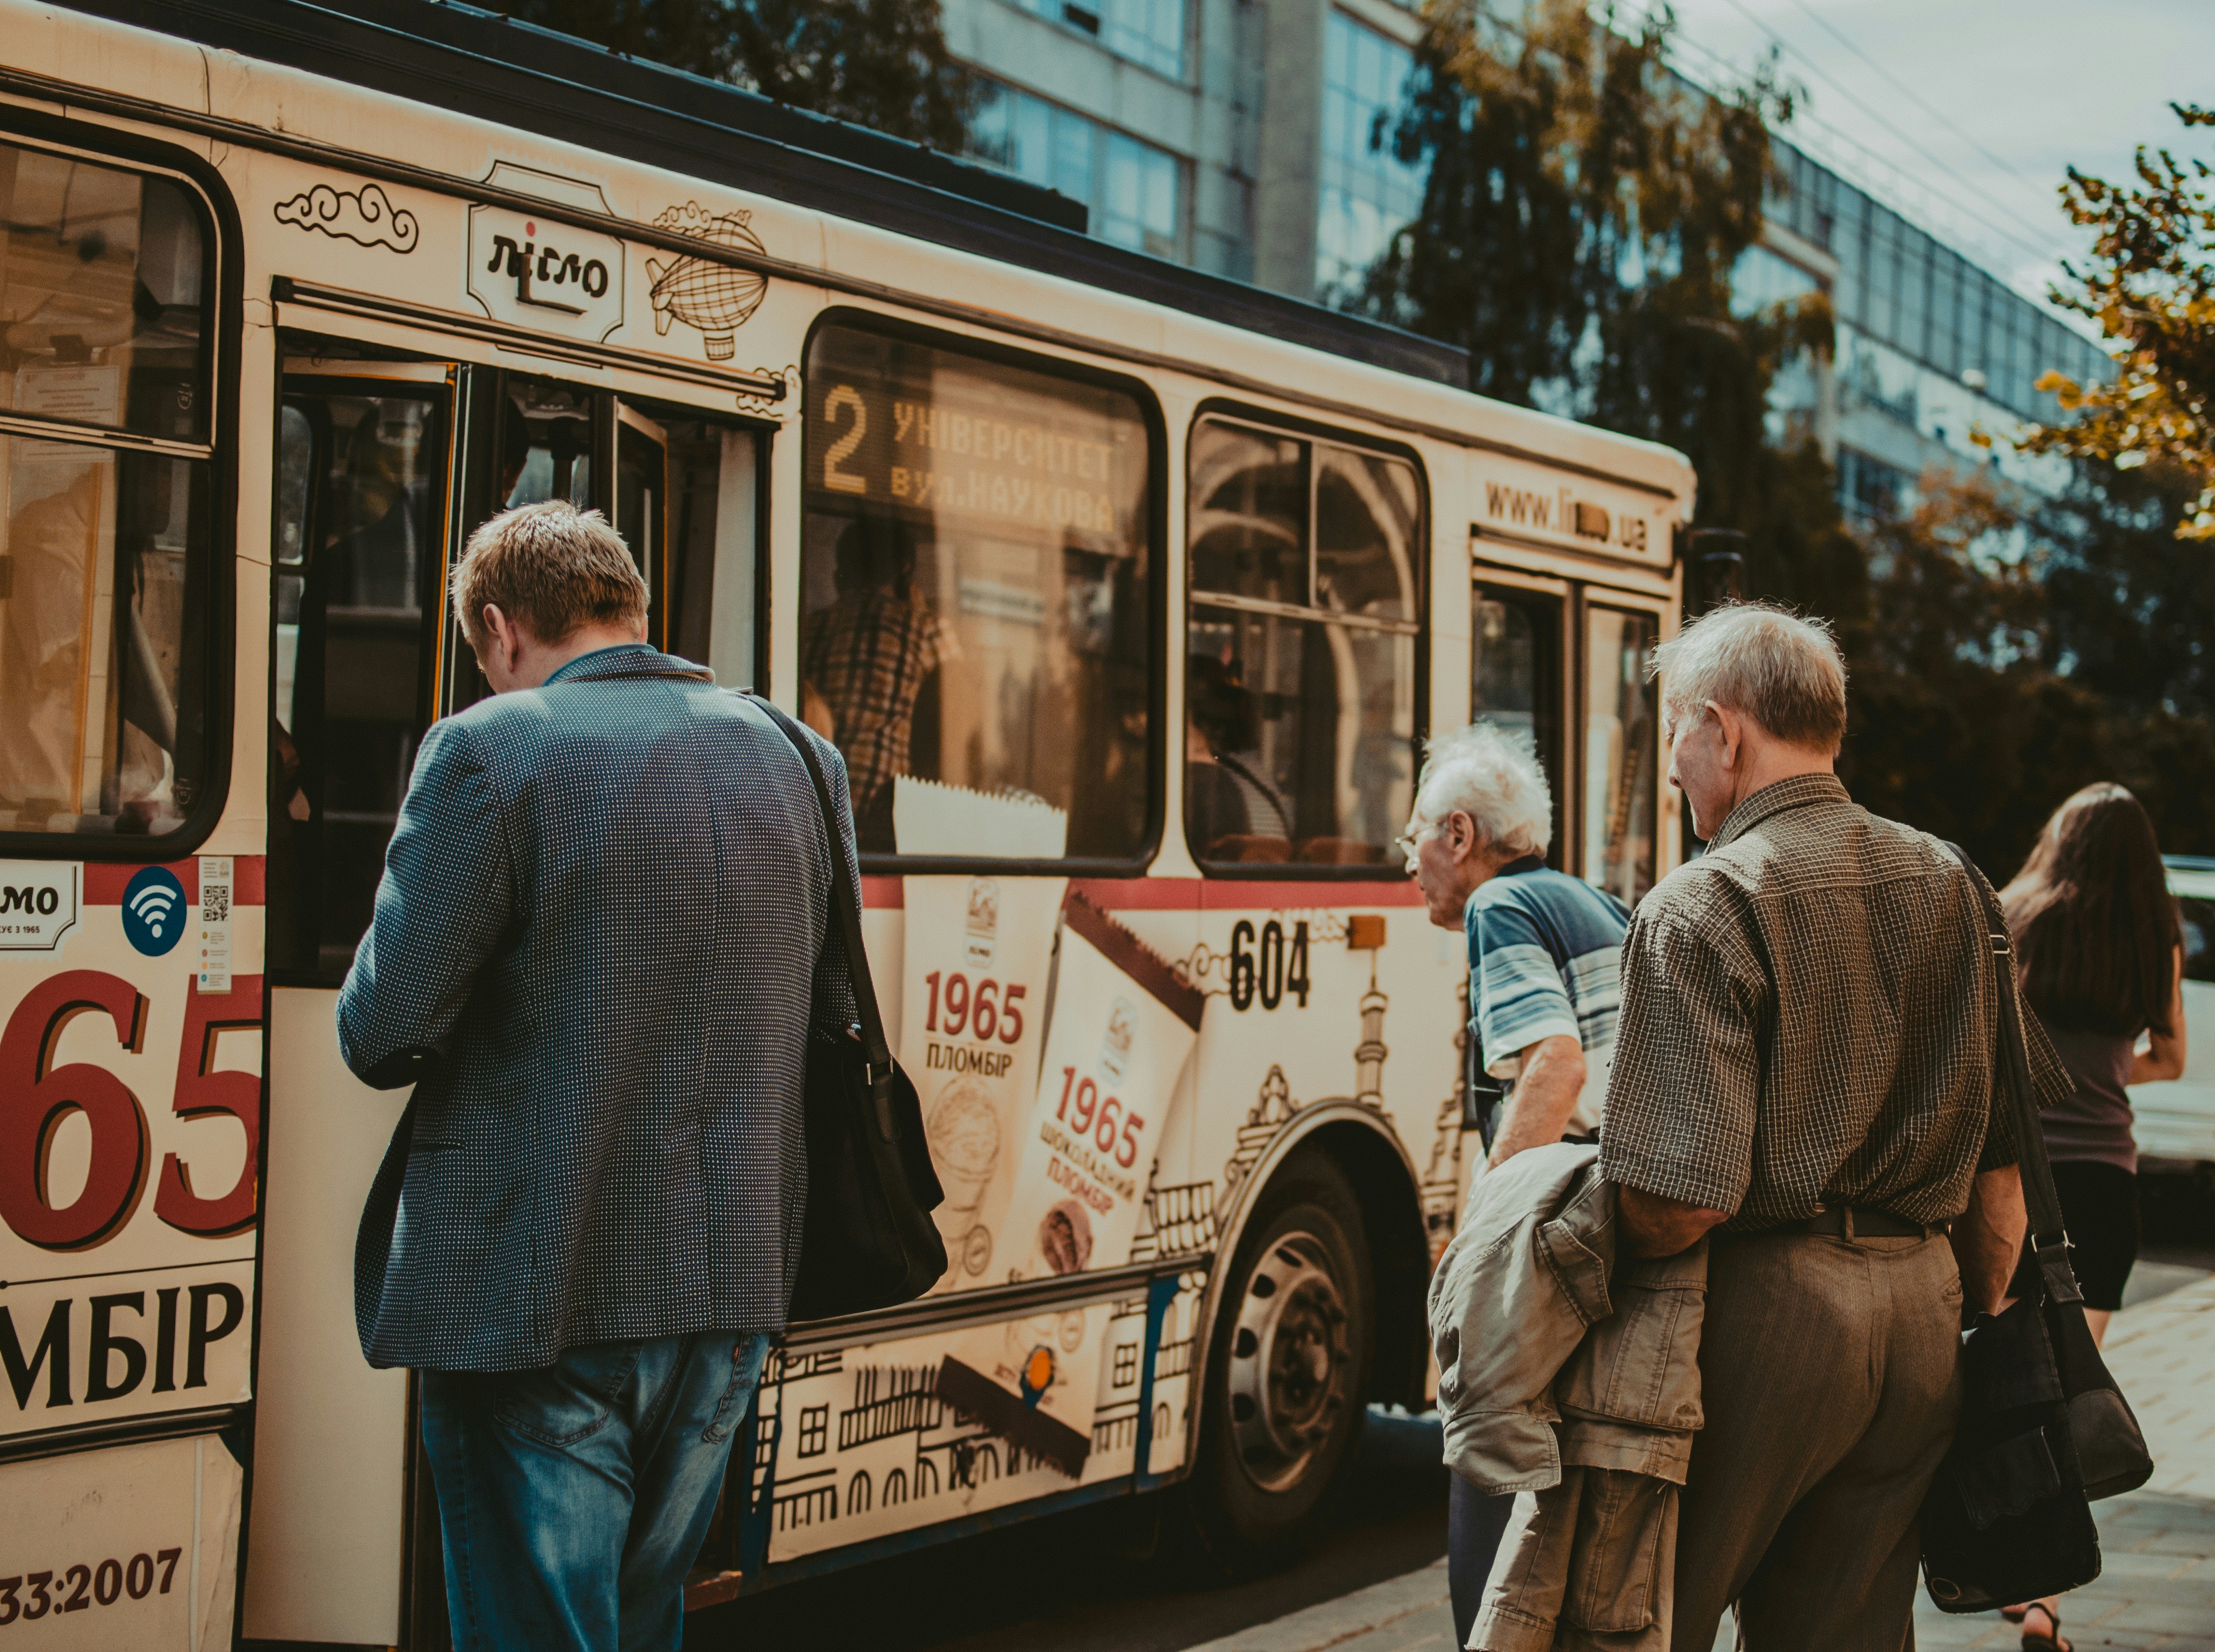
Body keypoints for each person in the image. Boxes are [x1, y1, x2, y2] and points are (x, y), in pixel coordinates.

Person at [338, 500, 856, 1651]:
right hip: (729, 1297)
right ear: (628, 608)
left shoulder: (485, 748)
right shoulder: (798, 757)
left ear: (496, 627)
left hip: (540, 1293)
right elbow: (827, 1016)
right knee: (637, 1623)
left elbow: (382, 1029)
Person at [1596, 601, 2070, 1651]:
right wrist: (1960, 1313)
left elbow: (1682, 1199)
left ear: (1722, 730)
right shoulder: (1955, 880)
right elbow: (2004, 1169)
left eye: (1673, 729)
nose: (1670, 763)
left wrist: (1571, 1246)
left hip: (1767, 1311)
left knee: (1640, 1615)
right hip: (1923, 1315)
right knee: (1845, 1633)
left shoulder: (1703, 903)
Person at [1400, 720, 1630, 1648]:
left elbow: (1554, 1066)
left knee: (1485, 1454)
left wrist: (1480, 1236)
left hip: (1572, 1213)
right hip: (1623, 1212)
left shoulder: (1500, 908)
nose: (1404, 856)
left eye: (1414, 829)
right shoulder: (1590, 899)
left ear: (1458, 834)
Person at [1997, 782, 2186, 1652]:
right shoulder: (2151, 940)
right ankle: (2043, 1594)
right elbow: (2168, 1058)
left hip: (2014, 1179)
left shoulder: (2013, 916)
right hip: (2104, 1187)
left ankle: (1992, 1546)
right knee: (2075, 1384)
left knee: (2001, 1372)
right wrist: (2105, 1077)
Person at [800, 514, 954, 849]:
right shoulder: (926, 629)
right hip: (888, 817)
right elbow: (961, 721)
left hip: (818, 806)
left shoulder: (813, 629)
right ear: (905, 570)